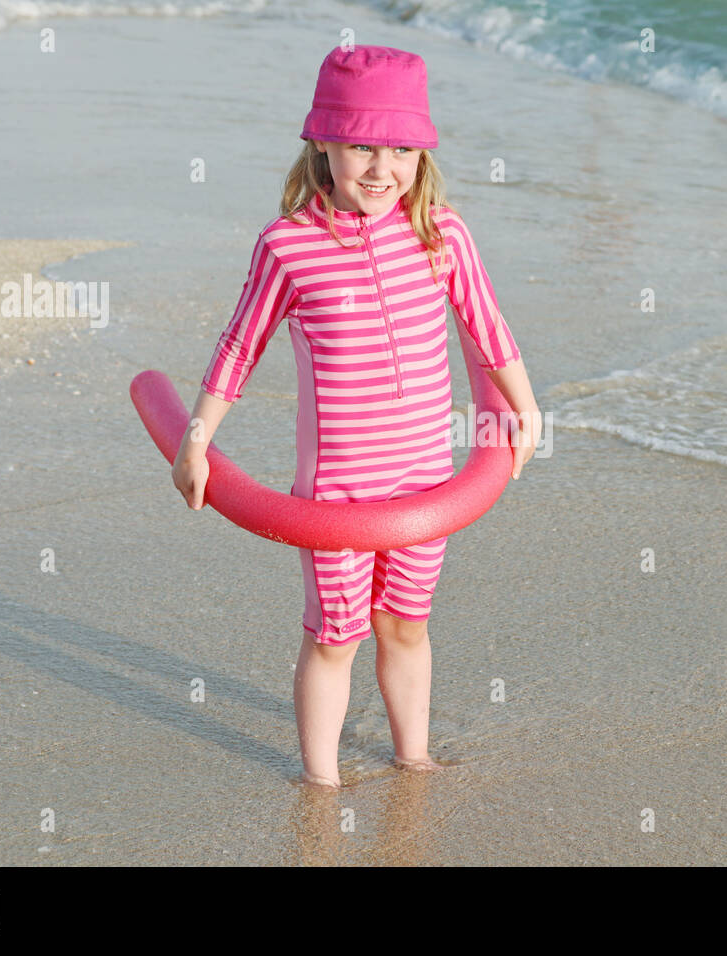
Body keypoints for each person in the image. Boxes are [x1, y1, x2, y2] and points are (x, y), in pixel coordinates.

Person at [170, 44, 541, 789]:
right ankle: (321, 780)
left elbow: (488, 328)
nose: (381, 166)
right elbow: (241, 344)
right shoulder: (289, 248)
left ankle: (413, 755)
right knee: (336, 635)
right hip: (337, 494)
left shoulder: (443, 235)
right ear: (324, 145)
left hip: (425, 488)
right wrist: (197, 441)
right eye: (362, 144)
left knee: (407, 625)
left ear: (422, 153)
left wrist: (525, 411)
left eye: (401, 146)